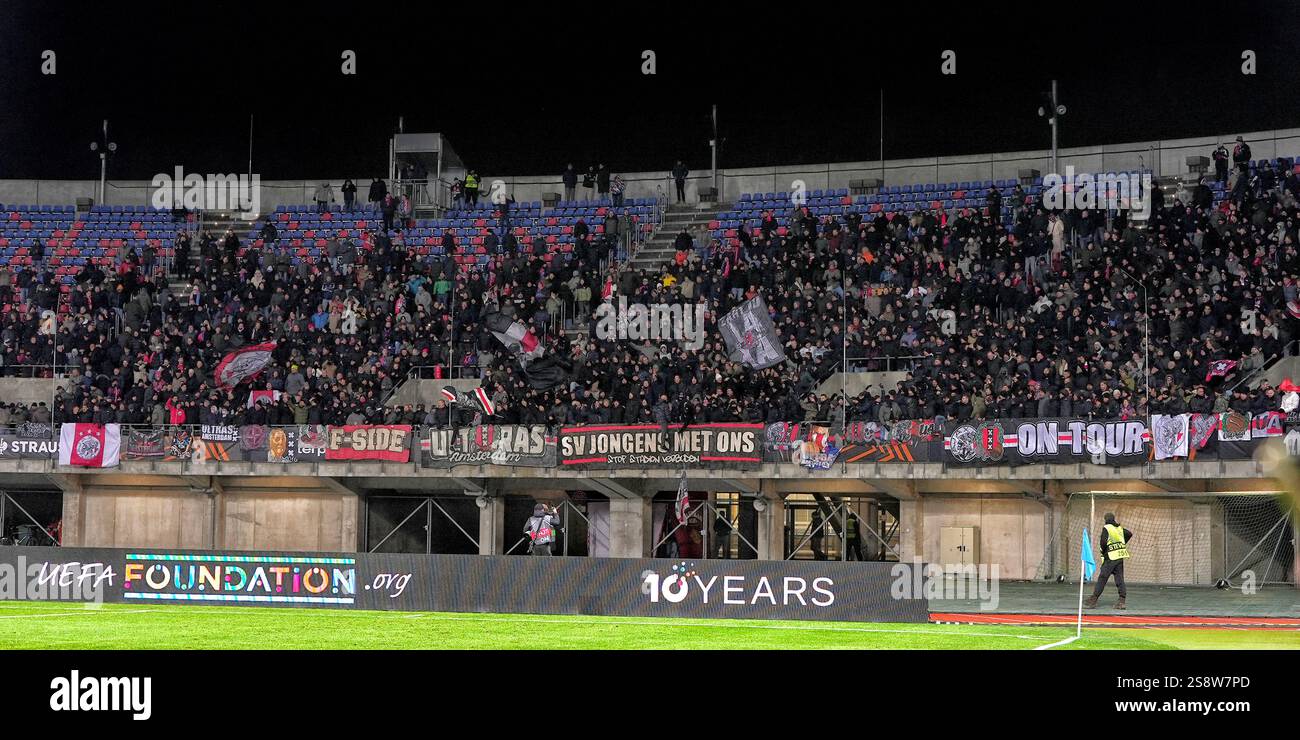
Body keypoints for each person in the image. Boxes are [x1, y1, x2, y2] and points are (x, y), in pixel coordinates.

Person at [1084, 512, 1133, 609]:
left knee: (1102, 578)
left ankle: (1093, 599)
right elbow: (1129, 533)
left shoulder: (1107, 528)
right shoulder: (1118, 528)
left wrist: (1104, 550)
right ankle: (1122, 601)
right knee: (1119, 579)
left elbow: (1103, 542)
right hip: (1119, 557)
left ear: (1106, 519)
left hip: (1110, 557)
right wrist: (1122, 543)